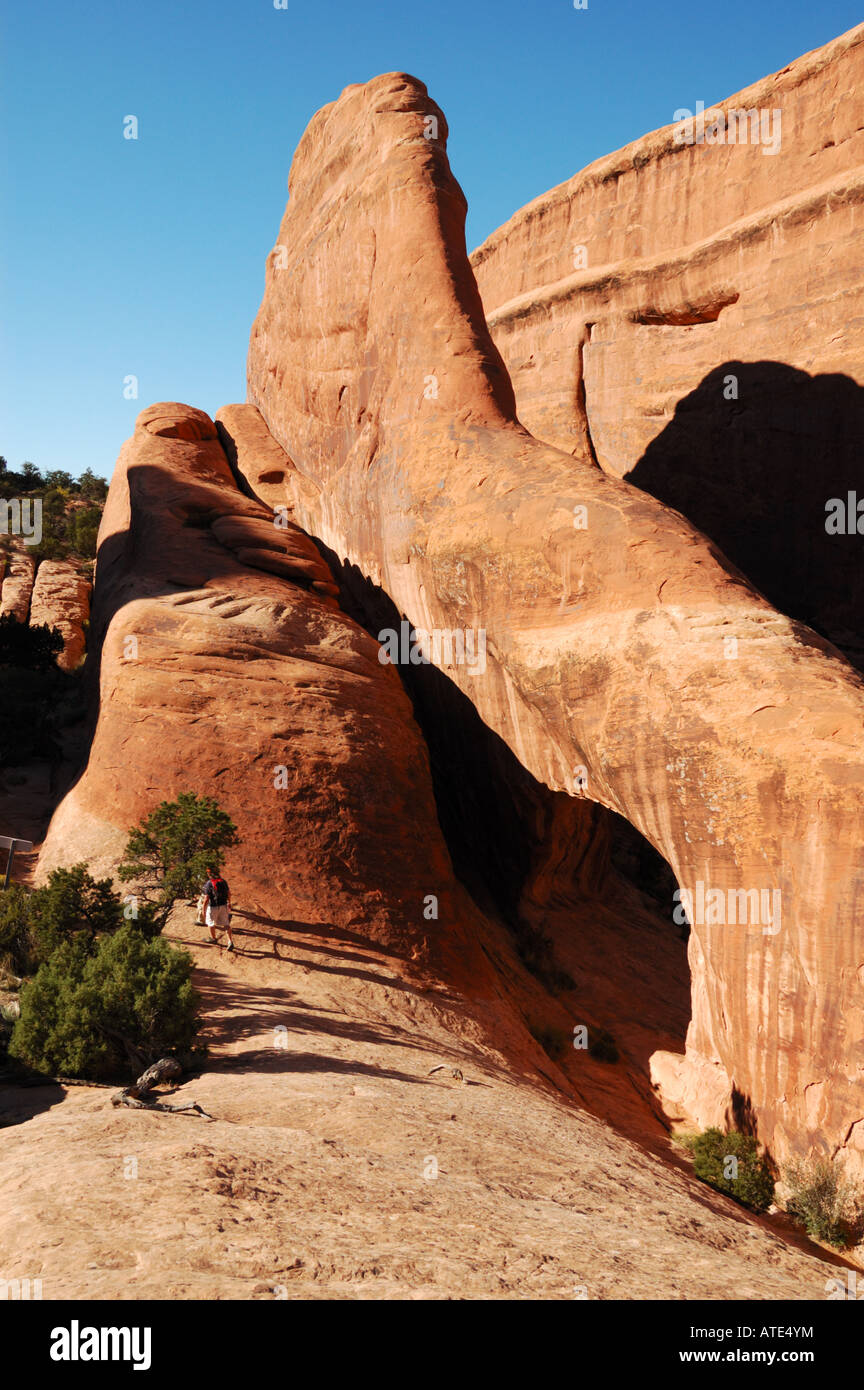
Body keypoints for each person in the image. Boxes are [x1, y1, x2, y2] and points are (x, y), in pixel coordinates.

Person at [202, 868, 234, 951]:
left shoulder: (209, 883)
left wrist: (203, 910)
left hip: (213, 906)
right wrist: (229, 903)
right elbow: (229, 894)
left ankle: (213, 939)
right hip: (223, 905)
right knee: (226, 924)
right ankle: (230, 941)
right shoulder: (223, 881)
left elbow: (206, 899)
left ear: (210, 875)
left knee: (210, 923)